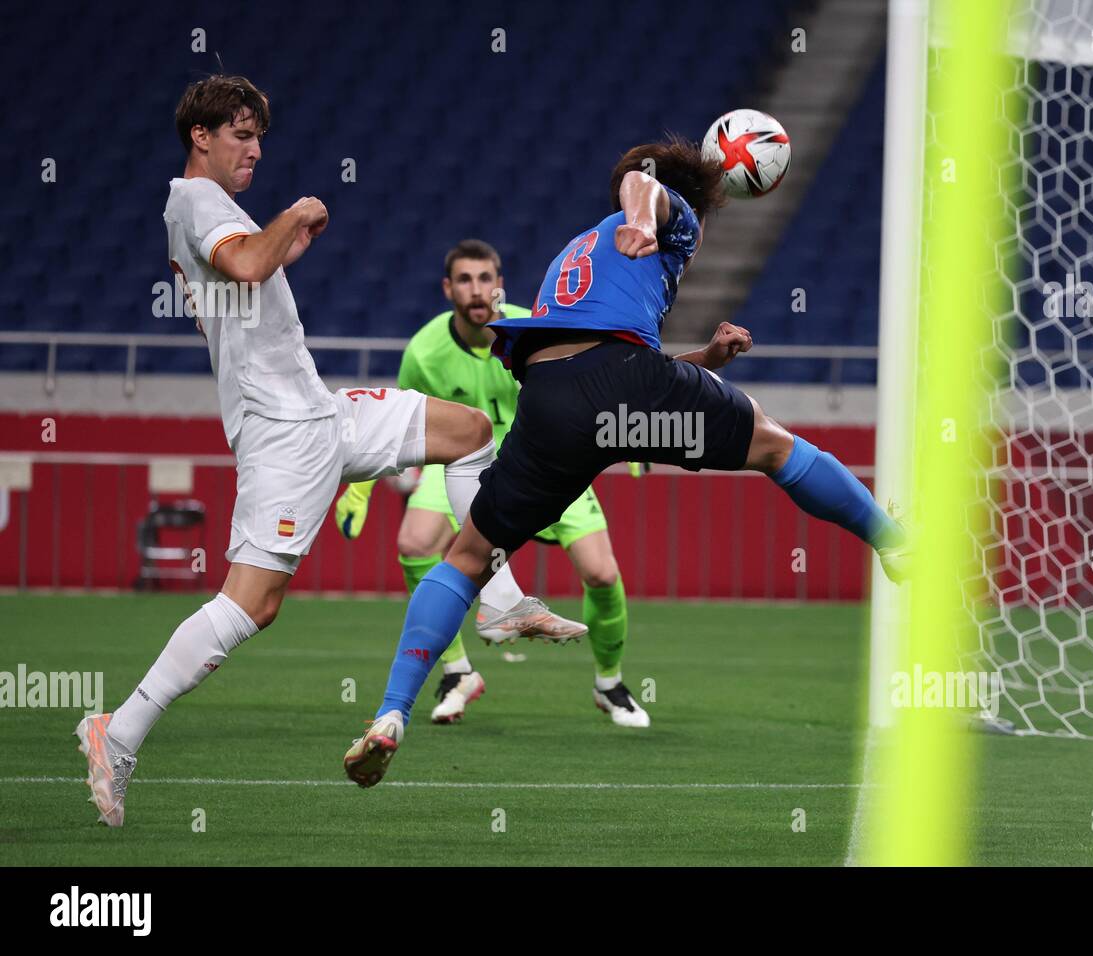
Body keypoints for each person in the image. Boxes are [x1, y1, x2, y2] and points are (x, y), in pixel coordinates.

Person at [343, 134, 908, 789]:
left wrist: (702, 362)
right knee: (777, 446)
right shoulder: (669, 215)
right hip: (625, 394)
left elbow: (605, 357)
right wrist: (647, 217)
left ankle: (390, 714)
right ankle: (894, 542)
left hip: (556, 406)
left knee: (466, 558)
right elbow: (643, 192)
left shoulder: (570, 254)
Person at [75, 74, 560, 827]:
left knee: (468, 432)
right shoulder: (197, 199)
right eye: (240, 133)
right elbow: (242, 267)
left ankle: (497, 606)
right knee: (251, 606)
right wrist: (295, 212)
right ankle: (119, 730)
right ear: (200, 137)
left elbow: (242, 281)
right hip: (284, 434)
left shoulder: (213, 211)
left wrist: (284, 244)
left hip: (321, 413)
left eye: (259, 135)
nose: (255, 148)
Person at [334, 239, 646, 727]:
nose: (476, 290)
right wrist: (362, 486)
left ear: (499, 286)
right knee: (414, 543)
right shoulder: (425, 350)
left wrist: (628, 436)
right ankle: (458, 672)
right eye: (464, 280)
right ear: (447, 288)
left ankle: (610, 683)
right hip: (459, 459)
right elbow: (402, 420)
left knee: (602, 574)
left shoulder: (535, 328)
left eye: (485, 279)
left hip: (542, 458)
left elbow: (591, 381)